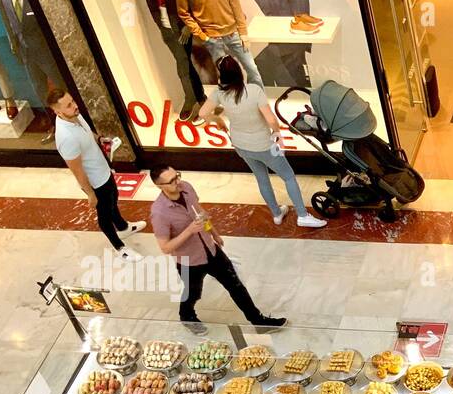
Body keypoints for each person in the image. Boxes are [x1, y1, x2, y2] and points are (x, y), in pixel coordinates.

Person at [196, 56, 326, 229]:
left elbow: (203, 113)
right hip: (264, 145)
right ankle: (302, 214)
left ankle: (276, 213)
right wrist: (277, 133)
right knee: (288, 176)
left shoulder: (219, 93)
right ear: (238, 71)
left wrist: (216, 120)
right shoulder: (253, 90)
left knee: (262, 179)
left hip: (241, 145)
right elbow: (271, 120)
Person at [149, 165, 284, 330]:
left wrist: (214, 233)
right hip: (188, 261)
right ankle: (186, 315)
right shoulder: (159, 212)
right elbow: (165, 247)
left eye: (177, 176)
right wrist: (189, 231)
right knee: (193, 293)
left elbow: (199, 211)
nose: (178, 181)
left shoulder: (187, 187)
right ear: (160, 186)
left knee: (235, 286)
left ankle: (258, 321)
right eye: (172, 181)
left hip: (211, 250)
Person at [50, 89, 145, 262]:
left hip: (103, 170)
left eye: (72, 101)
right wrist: (90, 193)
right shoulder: (66, 138)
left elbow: (87, 132)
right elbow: (76, 170)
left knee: (113, 198)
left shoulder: (74, 116)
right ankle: (119, 247)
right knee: (104, 214)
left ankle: (123, 226)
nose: (74, 106)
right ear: (57, 111)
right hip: (94, 182)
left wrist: (98, 139)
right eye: (69, 105)